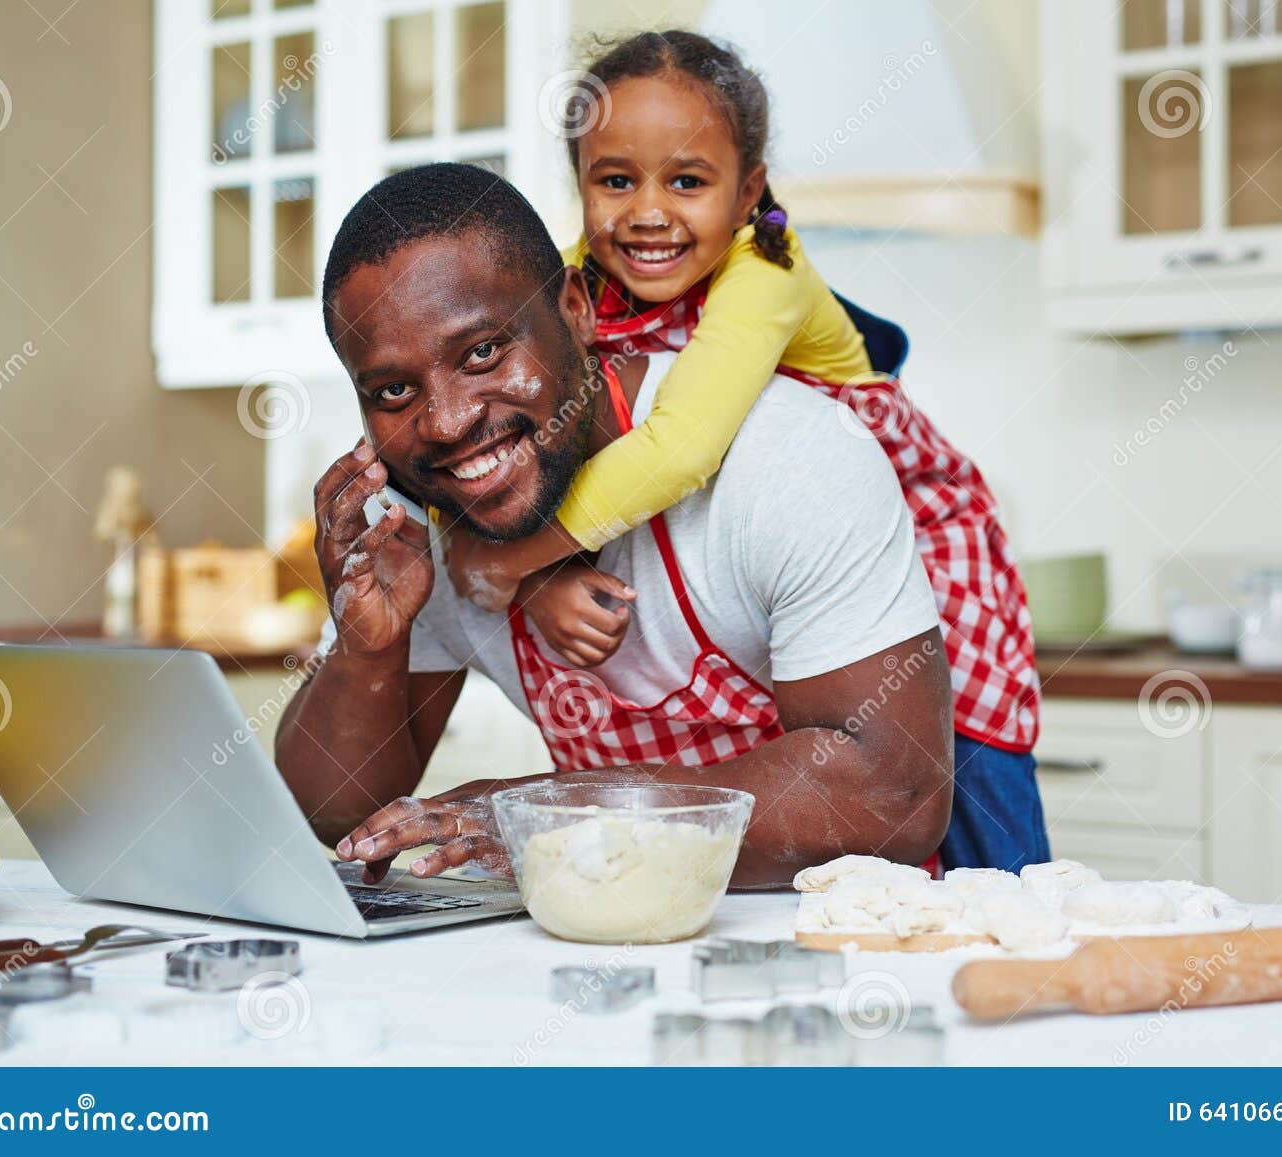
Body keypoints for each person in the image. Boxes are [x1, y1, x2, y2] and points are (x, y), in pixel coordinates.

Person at [445, 31, 1046, 871]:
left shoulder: (766, 268)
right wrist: (535, 575)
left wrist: (518, 561)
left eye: (688, 181)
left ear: (747, 192)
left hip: (922, 542)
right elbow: (503, 436)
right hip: (785, 573)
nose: (649, 212)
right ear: (580, 185)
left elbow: (681, 447)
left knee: (965, 777)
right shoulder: (574, 281)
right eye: (616, 180)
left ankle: (1021, 934)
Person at [273, 162, 954, 888]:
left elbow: (893, 794)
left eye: (482, 352)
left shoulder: (784, 456)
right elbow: (335, 812)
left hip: (824, 949)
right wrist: (366, 646)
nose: (445, 421)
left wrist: (551, 815)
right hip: (609, 939)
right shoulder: (417, 524)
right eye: (394, 390)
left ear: (574, 310)